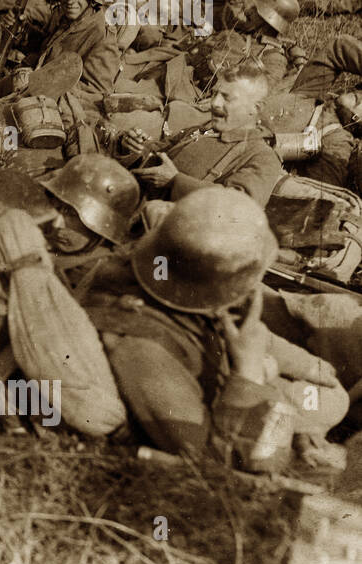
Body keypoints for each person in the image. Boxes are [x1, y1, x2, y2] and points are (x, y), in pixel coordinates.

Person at [80, 187, 348, 472]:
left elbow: (235, 326)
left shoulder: (162, 275)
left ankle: (296, 429)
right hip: (218, 415)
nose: (251, 290)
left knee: (331, 399)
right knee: (306, 419)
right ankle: (295, 435)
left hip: (220, 378)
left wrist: (306, 366)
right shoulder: (140, 348)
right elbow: (218, 462)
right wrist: (252, 374)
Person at [122, 60, 283, 208]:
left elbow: (240, 206)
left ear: (256, 108)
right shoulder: (200, 131)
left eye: (227, 98)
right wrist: (134, 147)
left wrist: (176, 181)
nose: (214, 103)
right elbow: (158, 152)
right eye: (214, 94)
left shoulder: (262, 156)